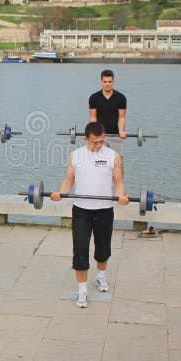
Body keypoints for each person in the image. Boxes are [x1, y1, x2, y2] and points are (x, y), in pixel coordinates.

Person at [50, 121, 129, 308]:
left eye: (101, 141)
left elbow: (118, 182)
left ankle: (101, 276)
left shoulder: (114, 156)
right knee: (80, 251)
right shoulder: (75, 156)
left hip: (104, 210)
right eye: (95, 142)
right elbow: (69, 181)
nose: (99, 145)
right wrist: (59, 194)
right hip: (81, 211)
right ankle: (82, 292)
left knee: (102, 250)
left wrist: (121, 196)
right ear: (86, 139)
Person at [88, 69, 127, 151]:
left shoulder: (121, 98)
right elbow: (93, 118)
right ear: (101, 82)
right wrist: (93, 133)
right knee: (98, 161)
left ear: (113, 82)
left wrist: (122, 131)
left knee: (117, 162)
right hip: (99, 137)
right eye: (105, 82)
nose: (107, 84)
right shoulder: (94, 98)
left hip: (115, 136)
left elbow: (122, 117)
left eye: (110, 82)